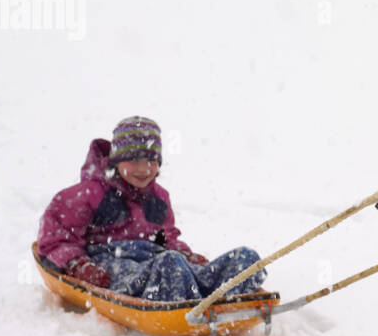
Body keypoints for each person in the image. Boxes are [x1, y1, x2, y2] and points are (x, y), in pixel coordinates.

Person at [38, 116, 267, 302]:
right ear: (116, 161)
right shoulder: (86, 194)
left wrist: (185, 254)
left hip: (157, 261)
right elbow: (55, 238)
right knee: (171, 265)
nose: (143, 169)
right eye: (133, 161)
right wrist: (77, 264)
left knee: (246, 259)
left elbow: (166, 239)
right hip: (108, 264)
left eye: (150, 161)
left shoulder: (159, 197)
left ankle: (221, 300)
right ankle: (192, 305)